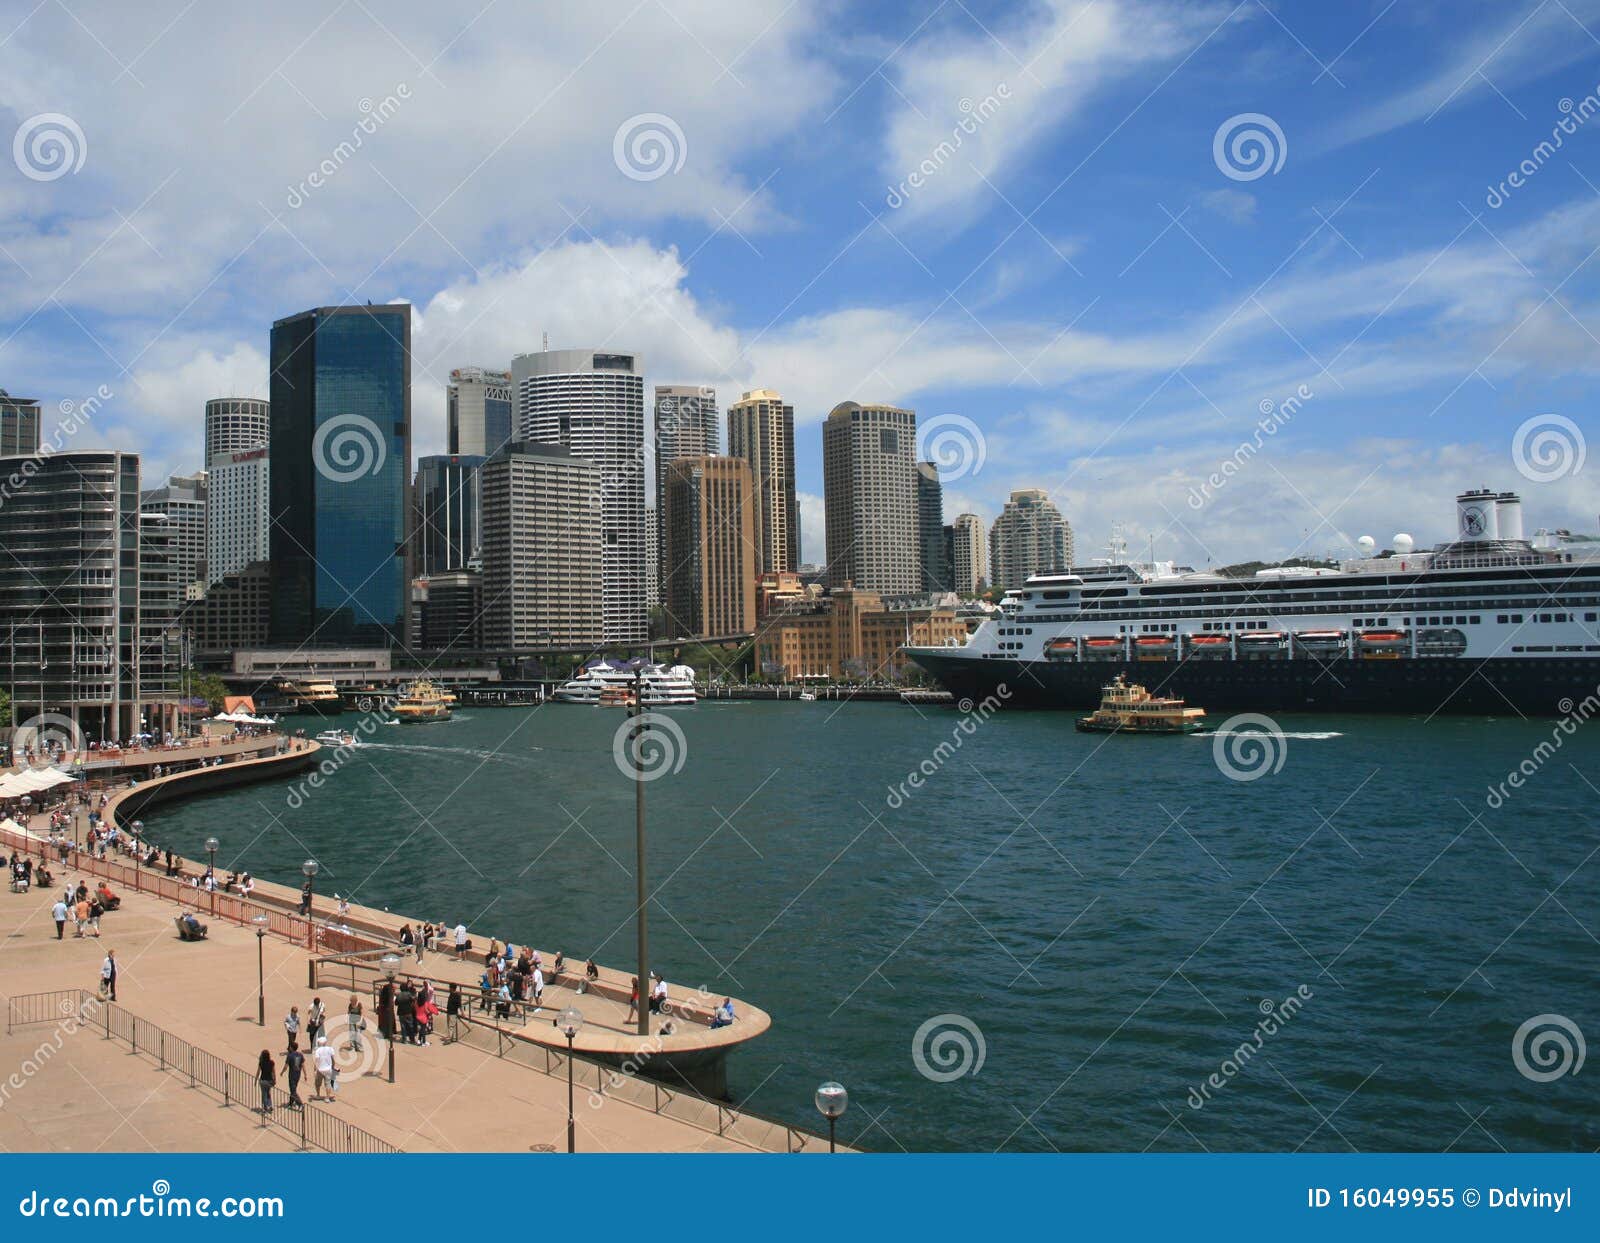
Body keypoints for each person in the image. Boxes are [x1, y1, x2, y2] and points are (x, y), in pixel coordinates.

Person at [311, 1036, 336, 1101]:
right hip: (328, 1069)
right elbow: (333, 1059)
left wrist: (315, 1070)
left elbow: (316, 1061)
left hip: (320, 1069)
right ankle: (327, 1097)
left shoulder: (318, 1050)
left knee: (317, 1083)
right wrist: (333, 1066)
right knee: (328, 1083)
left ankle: (318, 1095)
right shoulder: (330, 1049)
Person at [283, 1038, 305, 1109]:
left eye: (290, 1047)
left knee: (293, 1090)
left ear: (292, 1048)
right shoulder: (300, 1055)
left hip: (292, 1075)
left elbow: (286, 1066)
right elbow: (302, 1065)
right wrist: (305, 1074)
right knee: (293, 1088)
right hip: (298, 1074)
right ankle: (290, 1103)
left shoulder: (290, 1055)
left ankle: (300, 1104)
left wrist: (282, 1072)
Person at [256, 1049, 277, 1114]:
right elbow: (273, 1072)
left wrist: (255, 1080)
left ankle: (265, 1107)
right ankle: (270, 1106)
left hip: (263, 1080)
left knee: (264, 1094)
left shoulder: (261, 1063)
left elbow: (258, 1072)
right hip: (269, 1080)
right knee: (268, 1093)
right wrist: (275, 1079)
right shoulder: (272, 1062)